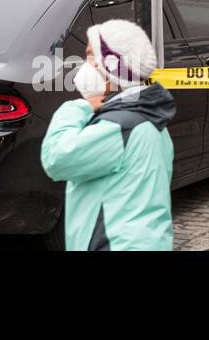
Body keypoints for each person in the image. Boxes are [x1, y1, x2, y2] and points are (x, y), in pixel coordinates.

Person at [40, 18, 175, 251]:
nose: (85, 64)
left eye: (92, 56)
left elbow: (56, 157)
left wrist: (78, 107)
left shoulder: (119, 126)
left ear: (112, 66)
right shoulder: (152, 121)